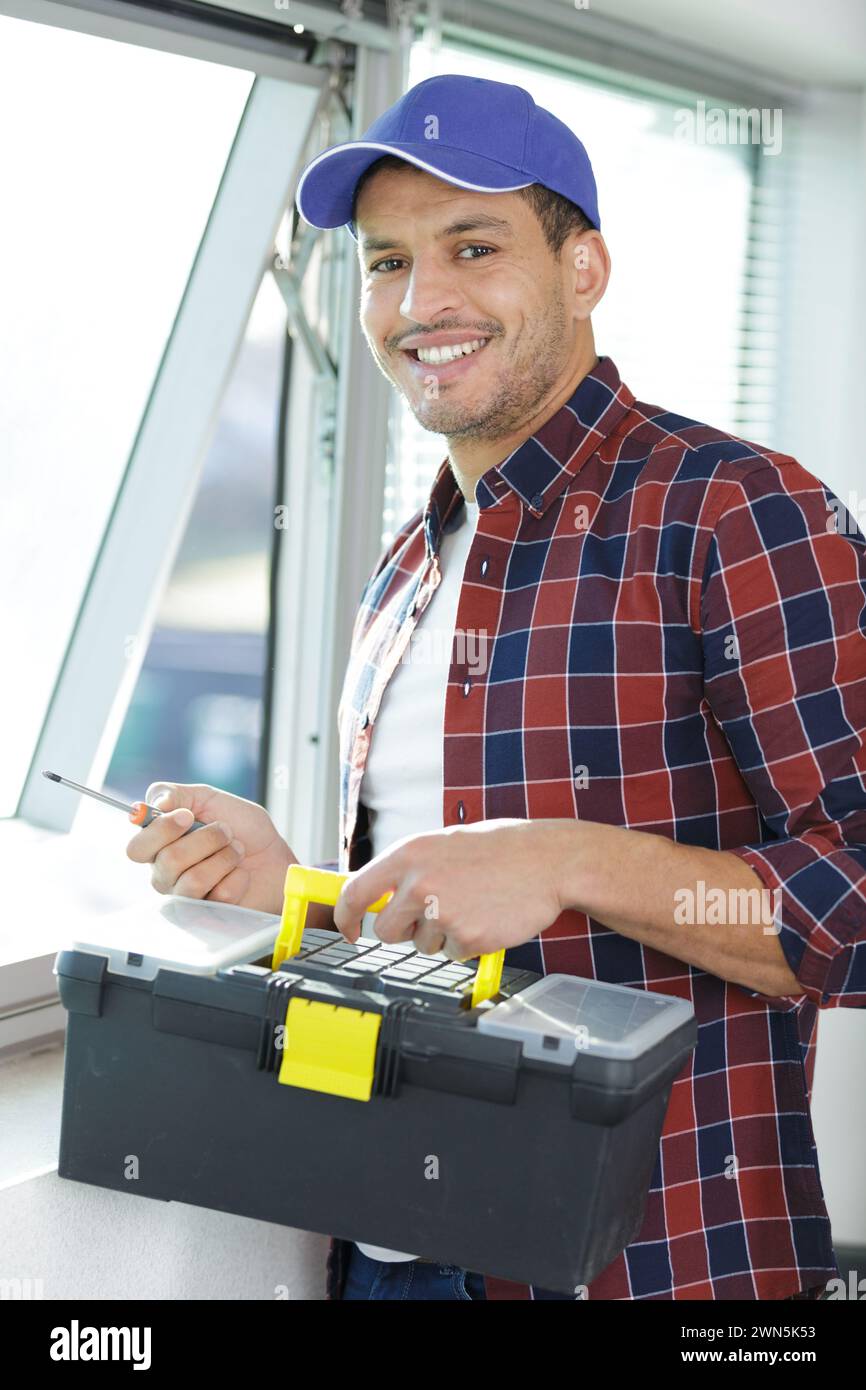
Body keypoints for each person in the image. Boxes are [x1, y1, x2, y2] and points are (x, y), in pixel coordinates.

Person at [127, 74, 866, 1301]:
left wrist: (568, 859)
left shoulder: (734, 510)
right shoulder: (403, 571)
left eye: (474, 246)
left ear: (583, 268)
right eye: (385, 262)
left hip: (651, 1268)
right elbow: (446, 939)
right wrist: (288, 896)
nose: (423, 302)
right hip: (386, 1256)